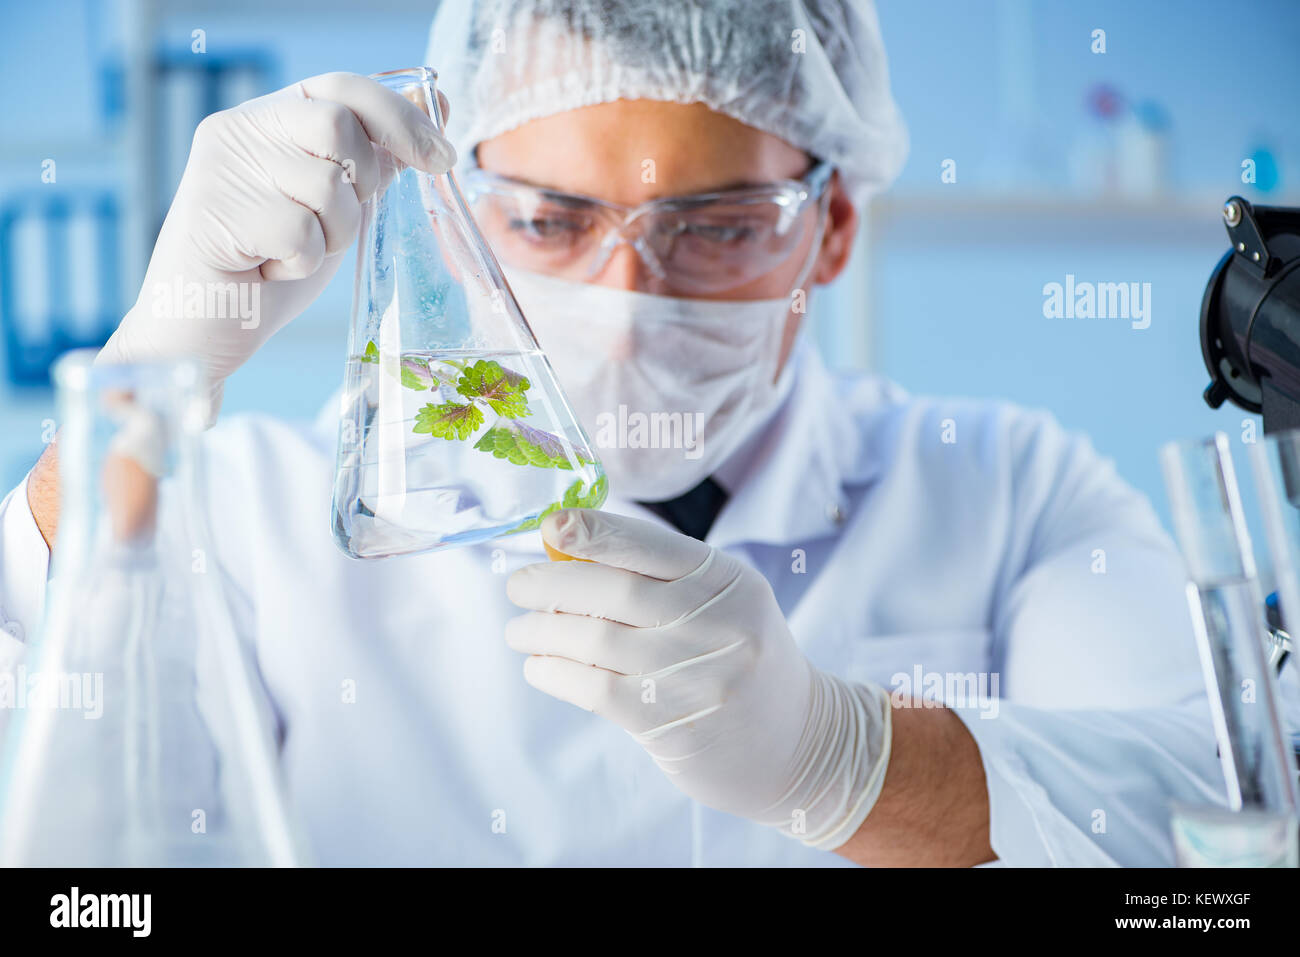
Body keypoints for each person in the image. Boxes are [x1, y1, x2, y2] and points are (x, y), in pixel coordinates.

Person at [0, 0, 1222, 866]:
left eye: (721, 225)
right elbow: (55, 848)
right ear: (452, 207)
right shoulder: (261, 515)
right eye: (543, 219)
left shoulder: (1006, 489)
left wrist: (841, 760)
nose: (628, 311)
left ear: (833, 225)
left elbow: (1220, 834)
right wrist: (139, 389)